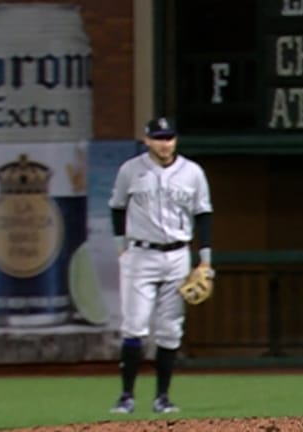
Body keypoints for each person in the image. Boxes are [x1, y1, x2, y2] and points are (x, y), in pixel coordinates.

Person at [108, 117, 214, 415]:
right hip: (140, 254)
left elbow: (203, 214)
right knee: (135, 327)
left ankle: (162, 397)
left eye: (169, 137)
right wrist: (121, 249)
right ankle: (126, 395)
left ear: (175, 139)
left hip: (178, 256)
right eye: (159, 138)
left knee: (170, 330)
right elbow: (117, 207)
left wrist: (205, 259)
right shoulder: (130, 170)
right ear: (147, 140)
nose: (164, 143)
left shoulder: (192, 172)